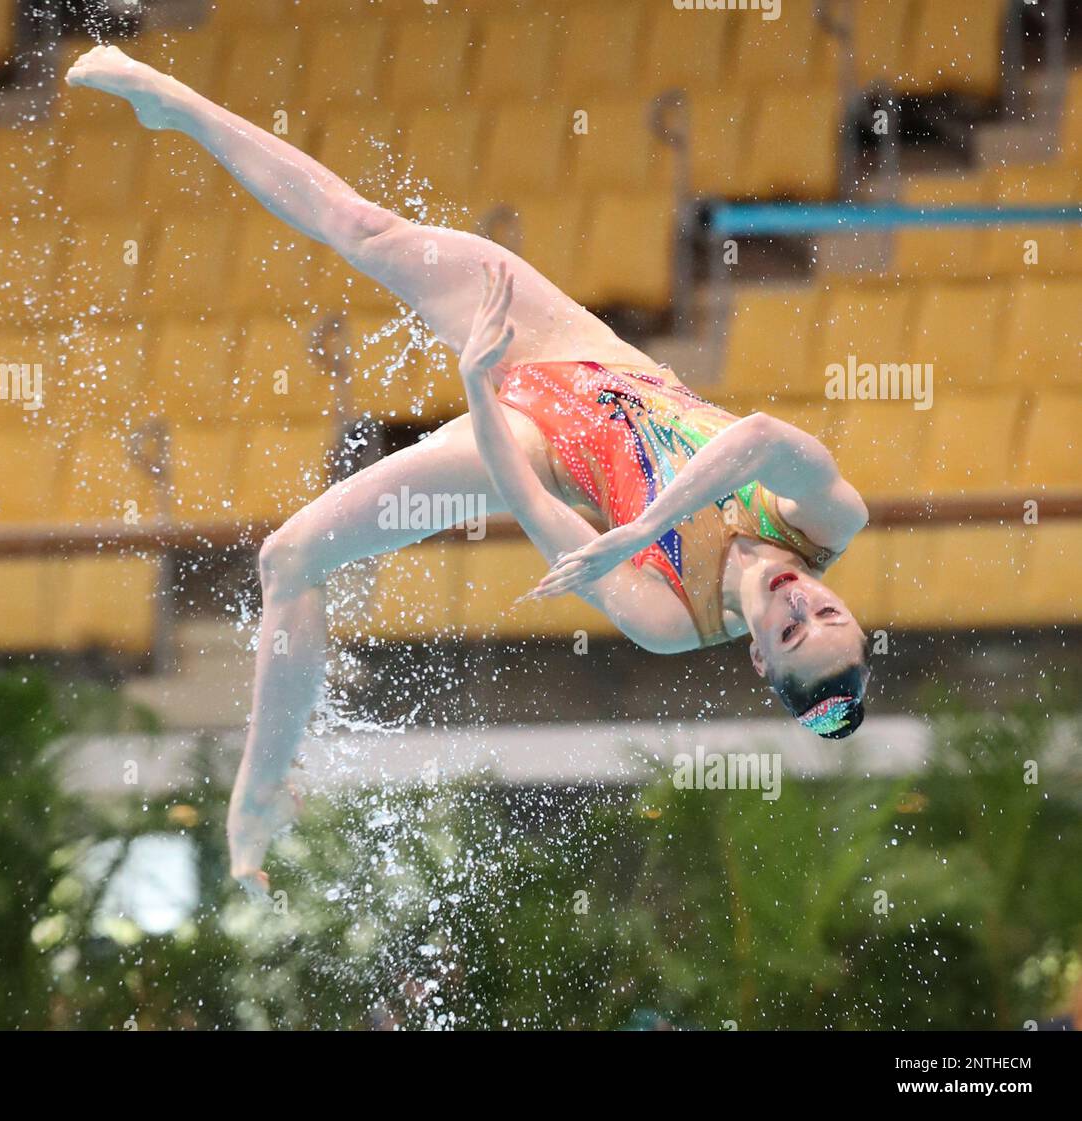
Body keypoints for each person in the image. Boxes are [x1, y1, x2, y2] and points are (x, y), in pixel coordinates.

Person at [65, 45, 872, 893]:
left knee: (288, 558)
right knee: (368, 228)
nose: (797, 600)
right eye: (826, 609)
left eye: (791, 631)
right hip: (581, 352)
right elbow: (758, 435)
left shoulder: (672, 618)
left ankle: (259, 792)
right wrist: (642, 527)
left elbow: (527, 500)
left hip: (528, 443)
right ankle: (175, 103)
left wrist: (479, 391)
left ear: (758, 660)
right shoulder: (823, 522)